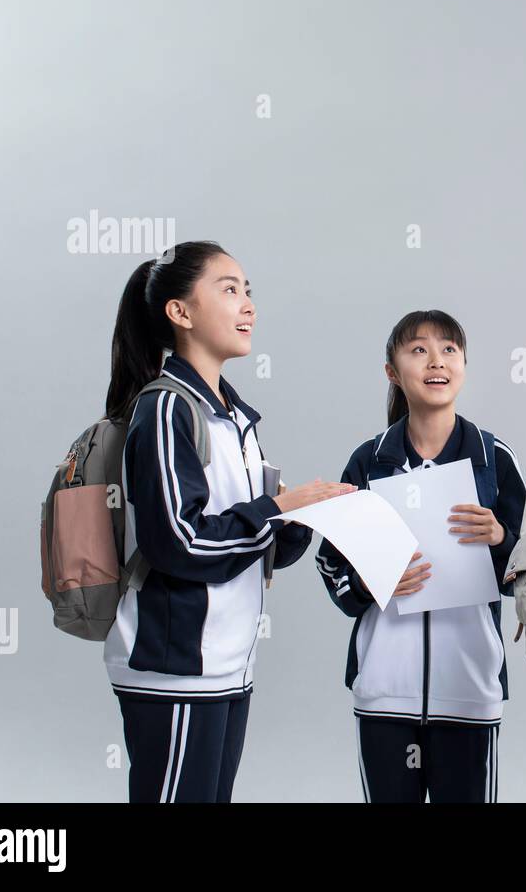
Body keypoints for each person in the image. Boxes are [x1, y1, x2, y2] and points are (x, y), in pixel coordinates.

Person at [103, 242, 353, 802]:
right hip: (175, 668)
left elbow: (255, 546)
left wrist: (304, 517)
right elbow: (181, 541)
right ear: (180, 312)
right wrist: (277, 511)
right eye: (230, 289)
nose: (248, 306)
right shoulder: (168, 408)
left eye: (249, 292)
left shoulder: (236, 418)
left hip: (226, 665)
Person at [315, 309, 526, 803]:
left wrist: (500, 538)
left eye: (449, 349)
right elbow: (331, 561)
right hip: (385, 690)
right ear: (392, 371)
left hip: (470, 690)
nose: (436, 360)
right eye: (418, 349)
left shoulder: (493, 458)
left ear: (464, 365)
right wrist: (372, 582)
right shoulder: (369, 461)